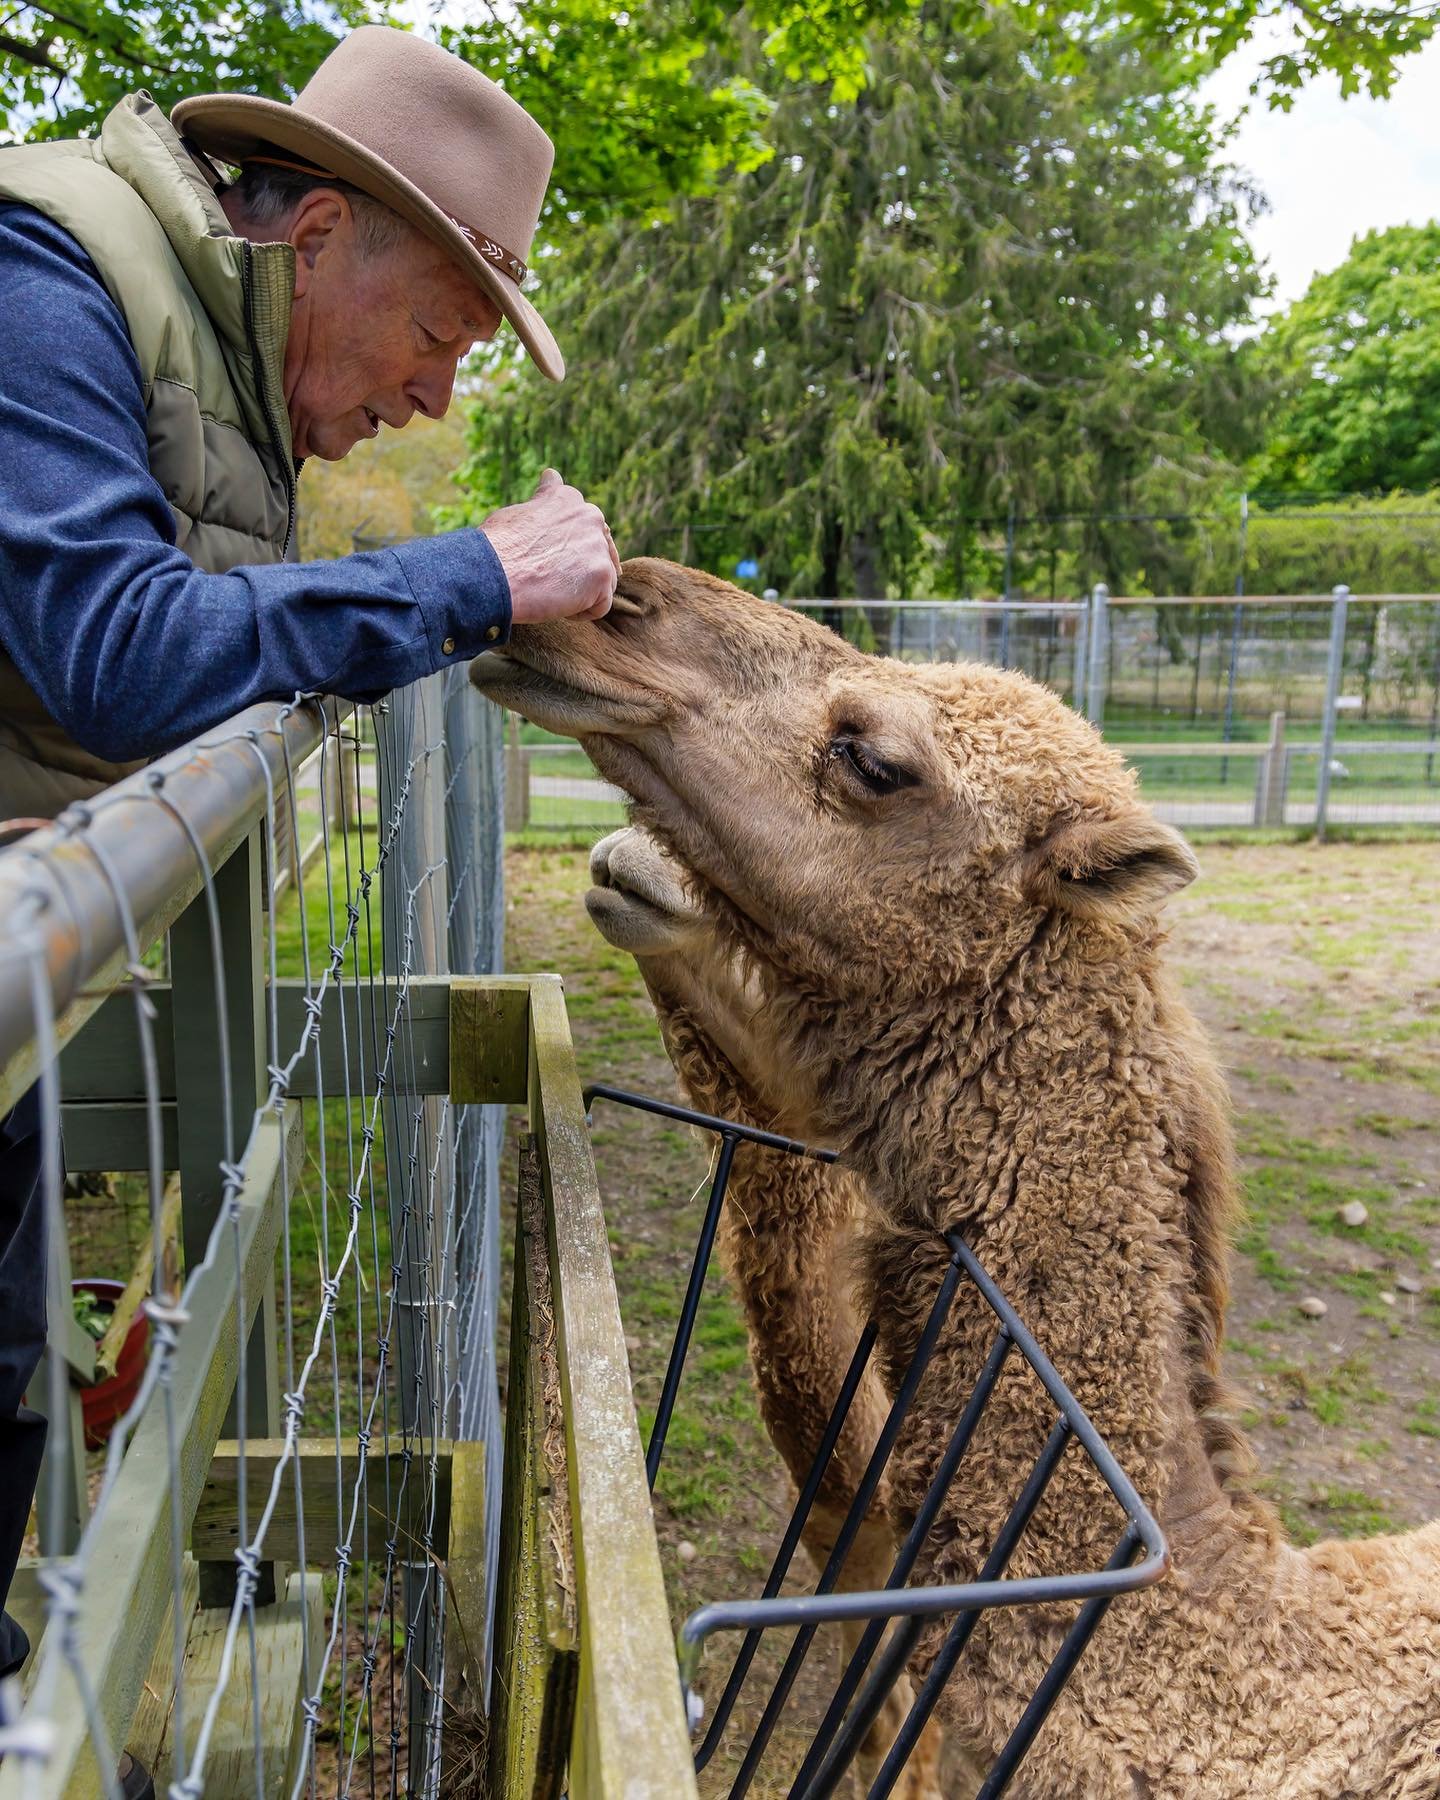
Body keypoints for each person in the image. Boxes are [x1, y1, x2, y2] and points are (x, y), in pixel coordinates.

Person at [0, 27, 616, 1784]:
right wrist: (470, 575)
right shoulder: (42, 271)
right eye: (439, 335)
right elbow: (122, 655)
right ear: (319, 232)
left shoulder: (208, 366)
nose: (437, 398)